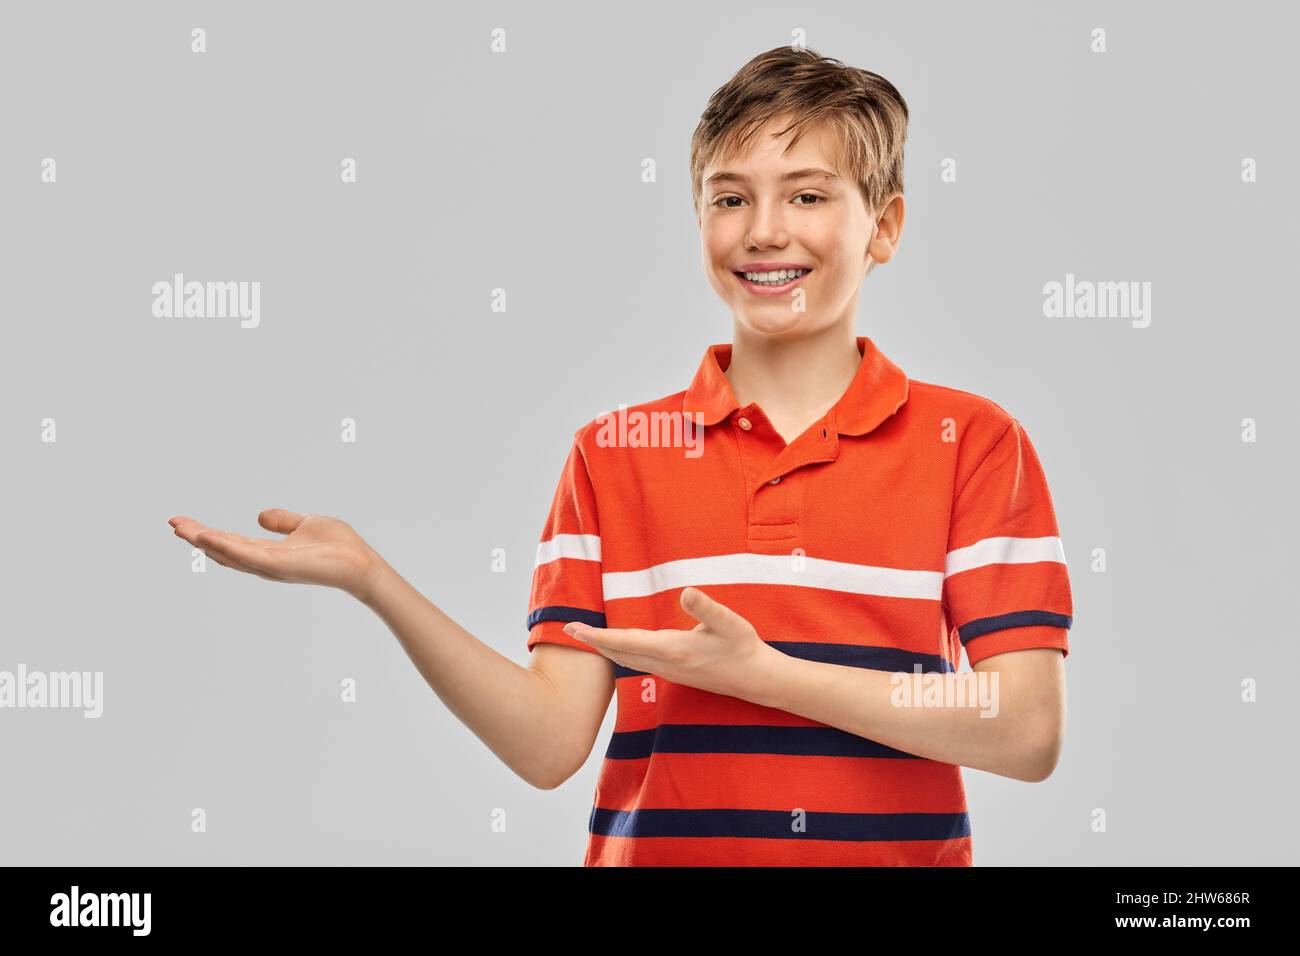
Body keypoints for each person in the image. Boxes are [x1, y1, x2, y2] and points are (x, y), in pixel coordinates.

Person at [169, 45, 1073, 866]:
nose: (763, 230)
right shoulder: (613, 455)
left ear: (884, 226)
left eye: (807, 194)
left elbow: (1026, 728)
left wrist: (769, 679)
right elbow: (548, 743)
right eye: (729, 197)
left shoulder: (973, 443)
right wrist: (373, 579)